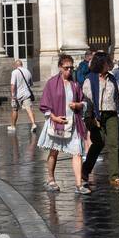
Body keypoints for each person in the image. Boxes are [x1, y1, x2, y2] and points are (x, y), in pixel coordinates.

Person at [82, 52, 119, 188]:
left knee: (114, 144)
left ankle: (114, 176)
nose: (109, 65)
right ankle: (85, 170)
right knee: (98, 143)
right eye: (107, 63)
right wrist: (92, 116)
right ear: (100, 64)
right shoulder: (90, 79)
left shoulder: (112, 78)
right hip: (96, 115)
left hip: (111, 115)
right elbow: (87, 98)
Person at [38, 54, 89, 193]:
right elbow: (44, 104)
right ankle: (50, 178)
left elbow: (83, 101)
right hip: (57, 123)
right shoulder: (51, 83)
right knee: (54, 151)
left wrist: (78, 105)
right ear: (60, 67)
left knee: (77, 152)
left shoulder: (75, 84)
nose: (69, 71)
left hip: (73, 123)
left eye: (71, 68)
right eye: (66, 68)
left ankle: (79, 185)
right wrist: (54, 117)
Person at [9, 58, 37, 132]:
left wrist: (12, 95)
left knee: (15, 109)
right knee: (29, 109)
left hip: (17, 95)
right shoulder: (27, 71)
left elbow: (12, 85)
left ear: (16, 65)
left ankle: (13, 126)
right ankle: (33, 124)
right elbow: (31, 84)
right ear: (22, 64)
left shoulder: (14, 72)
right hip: (26, 94)